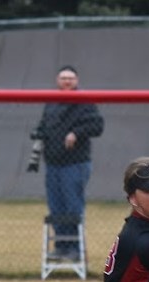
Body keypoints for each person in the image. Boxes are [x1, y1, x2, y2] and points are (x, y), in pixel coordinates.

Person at [31, 65, 105, 258]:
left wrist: (76, 133)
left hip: (75, 163)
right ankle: (61, 246)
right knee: (56, 206)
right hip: (53, 163)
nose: (67, 81)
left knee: (73, 205)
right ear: (57, 81)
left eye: (70, 78)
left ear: (76, 81)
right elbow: (43, 126)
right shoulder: (52, 102)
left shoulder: (85, 101)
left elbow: (97, 125)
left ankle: (75, 248)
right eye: (63, 78)